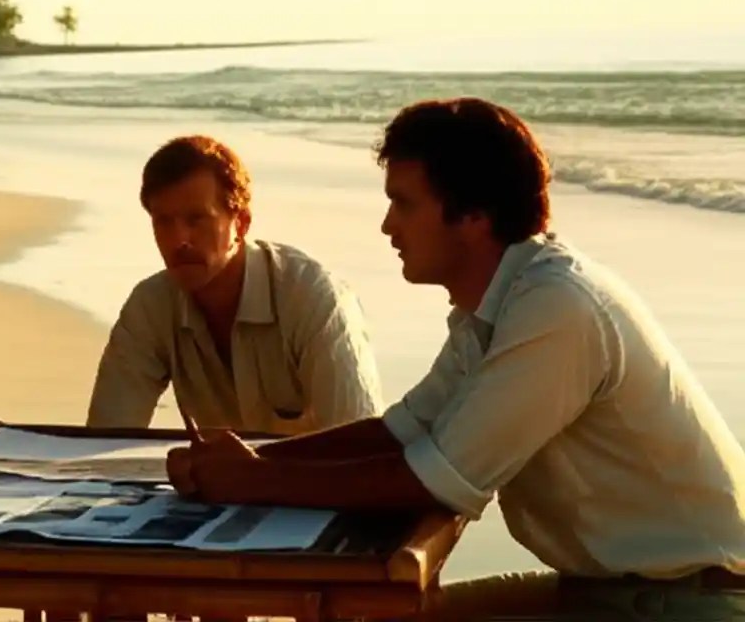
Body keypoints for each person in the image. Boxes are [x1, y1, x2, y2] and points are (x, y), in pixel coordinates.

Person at [164, 98, 745, 619]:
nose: (387, 226)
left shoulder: (556, 309)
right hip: (606, 588)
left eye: (403, 204)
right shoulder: (498, 304)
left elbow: (434, 481)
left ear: (473, 216)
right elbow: (401, 432)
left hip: (684, 601)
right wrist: (255, 456)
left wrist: (257, 480)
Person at [87, 135, 383, 436]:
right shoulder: (151, 307)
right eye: (163, 222)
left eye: (196, 219)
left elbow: (361, 446)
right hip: (222, 481)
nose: (178, 240)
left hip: (317, 479)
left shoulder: (312, 298)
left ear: (240, 224)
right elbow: (104, 441)